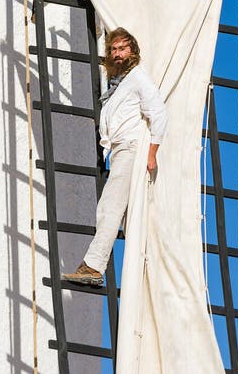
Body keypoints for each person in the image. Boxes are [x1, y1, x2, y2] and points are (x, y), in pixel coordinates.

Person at [62, 27, 168, 286]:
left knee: (109, 207)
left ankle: (93, 266)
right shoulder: (118, 82)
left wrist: (152, 154)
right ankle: (150, 272)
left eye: (122, 48)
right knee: (129, 217)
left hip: (131, 149)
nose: (117, 53)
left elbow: (159, 114)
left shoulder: (138, 78)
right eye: (113, 49)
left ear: (133, 50)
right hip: (121, 150)